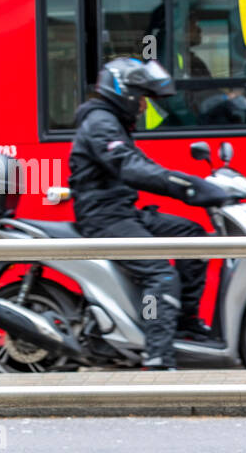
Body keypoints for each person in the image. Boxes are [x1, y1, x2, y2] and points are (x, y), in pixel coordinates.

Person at [68, 57, 230, 369]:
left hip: (123, 212)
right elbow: (132, 168)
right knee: (160, 275)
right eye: (141, 98)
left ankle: (184, 323)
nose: (144, 106)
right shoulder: (100, 123)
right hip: (104, 219)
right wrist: (188, 187)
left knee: (194, 238)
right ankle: (157, 355)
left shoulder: (111, 121)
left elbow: (143, 168)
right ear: (124, 93)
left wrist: (194, 185)